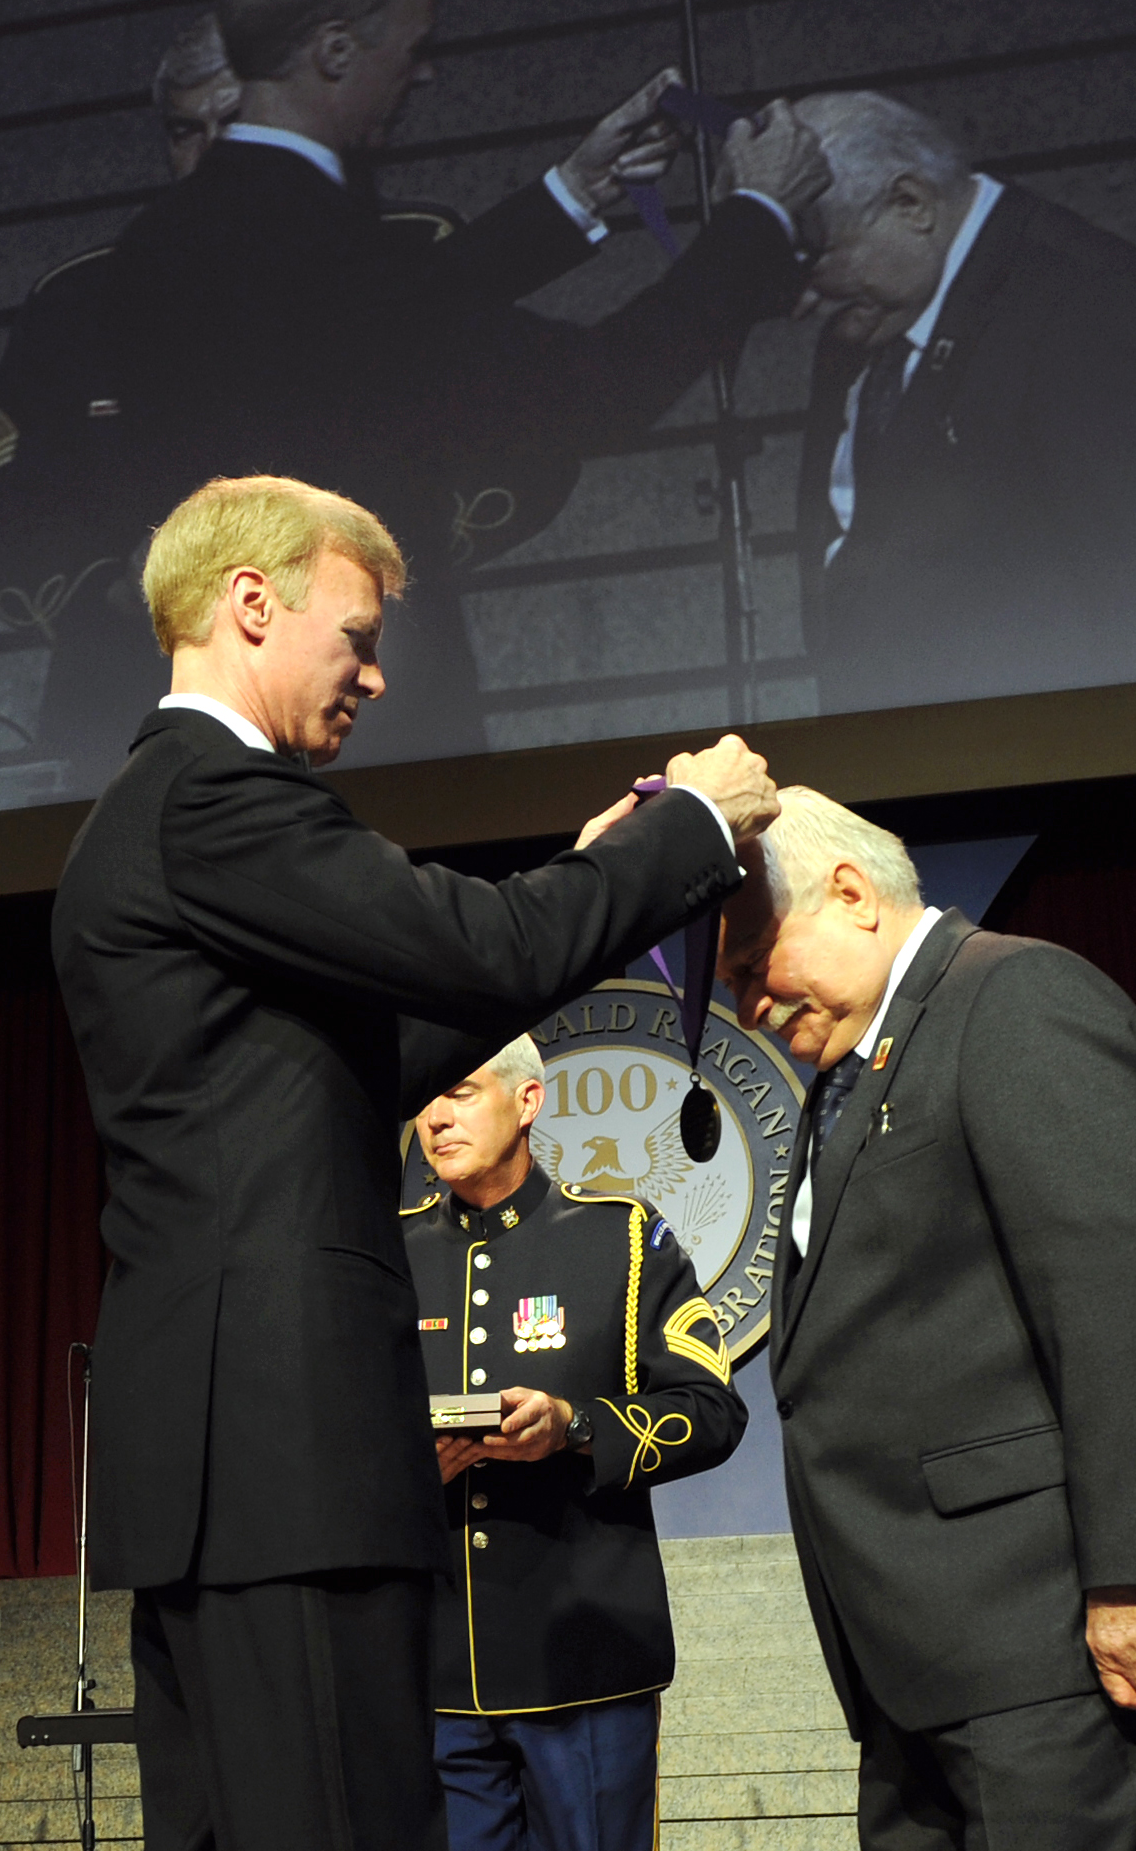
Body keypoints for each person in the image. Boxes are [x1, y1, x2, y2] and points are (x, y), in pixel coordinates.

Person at [51, 474, 780, 1851]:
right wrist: (691, 825)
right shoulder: (218, 796)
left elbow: (357, 1065)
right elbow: (475, 946)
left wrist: (581, 879)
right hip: (287, 1464)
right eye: (361, 634)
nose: (377, 677)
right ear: (250, 605)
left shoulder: (159, 815)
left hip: (235, 1469)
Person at [93, 0, 830, 770]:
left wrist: (575, 189)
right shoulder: (322, 247)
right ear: (335, 52)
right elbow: (597, 392)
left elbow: (392, 309)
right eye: (411, 49)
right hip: (364, 733)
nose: (426, 72)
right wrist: (758, 218)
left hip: (221, 716)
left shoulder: (169, 236)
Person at [714, 788, 1136, 1851]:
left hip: (1052, 1646)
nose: (747, 1006)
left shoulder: (1015, 996)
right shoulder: (858, 1068)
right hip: (918, 1666)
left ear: (849, 891)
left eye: (751, 965)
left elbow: (1125, 1291)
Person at [787, 92, 1136, 717]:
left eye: (815, 257)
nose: (800, 300)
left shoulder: (1096, 308)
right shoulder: (866, 326)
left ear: (911, 204)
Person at [402, 1034, 745, 1851]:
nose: (434, 1117)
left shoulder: (623, 1236)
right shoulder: (388, 1249)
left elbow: (712, 1409)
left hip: (586, 1665)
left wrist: (577, 1427)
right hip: (435, 1670)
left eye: (457, 1091)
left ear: (528, 1102)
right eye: (423, 1099)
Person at [0, 13, 246, 780]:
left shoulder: (380, 271)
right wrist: (111, 586)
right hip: (118, 717)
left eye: (236, 124)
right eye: (187, 131)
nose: (210, 155)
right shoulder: (76, 301)